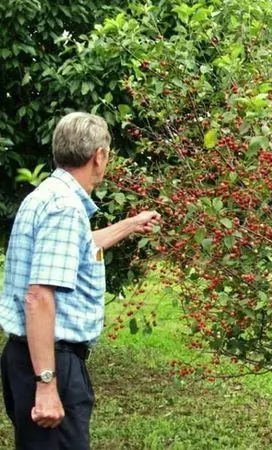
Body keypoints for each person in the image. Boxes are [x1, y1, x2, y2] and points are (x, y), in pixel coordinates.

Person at [0, 112, 160, 449]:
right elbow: (39, 296)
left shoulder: (48, 195)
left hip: (26, 357)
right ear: (99, 156)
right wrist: (46, 384)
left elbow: (80, 247)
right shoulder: (64, 207)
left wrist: (132, 224)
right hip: (50, 362)